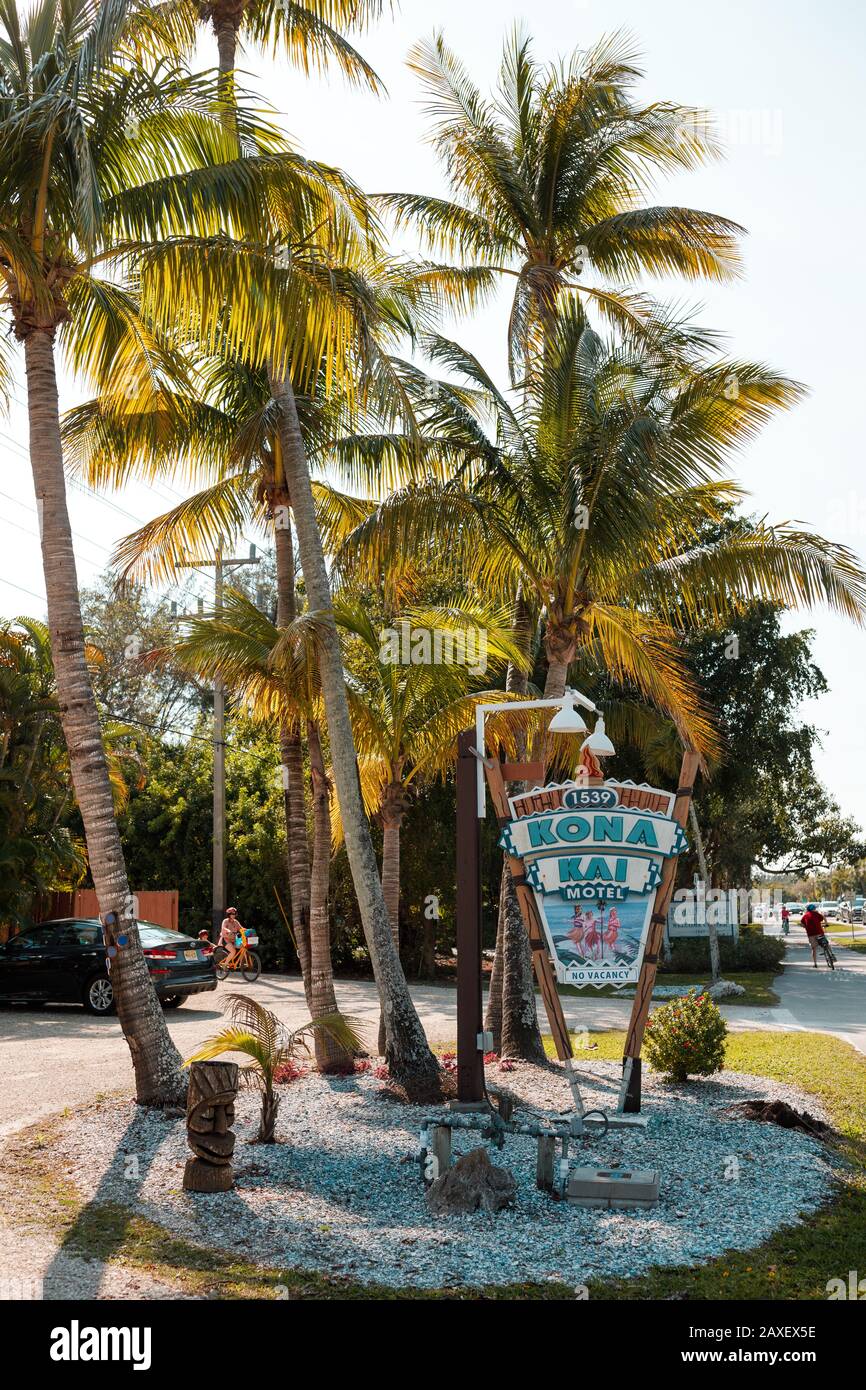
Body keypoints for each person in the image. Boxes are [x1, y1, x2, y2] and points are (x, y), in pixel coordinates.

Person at [801, 903, 827, 967]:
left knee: (814, 949)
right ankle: (831, 955)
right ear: (814, 909)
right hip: (819, 932)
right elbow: (823, 918)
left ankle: (815, 963)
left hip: (811, 934)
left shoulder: (805, 916)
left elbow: (802, 923)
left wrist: (806, 927)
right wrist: (826, 923)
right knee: (826, 943)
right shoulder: (817, 914)